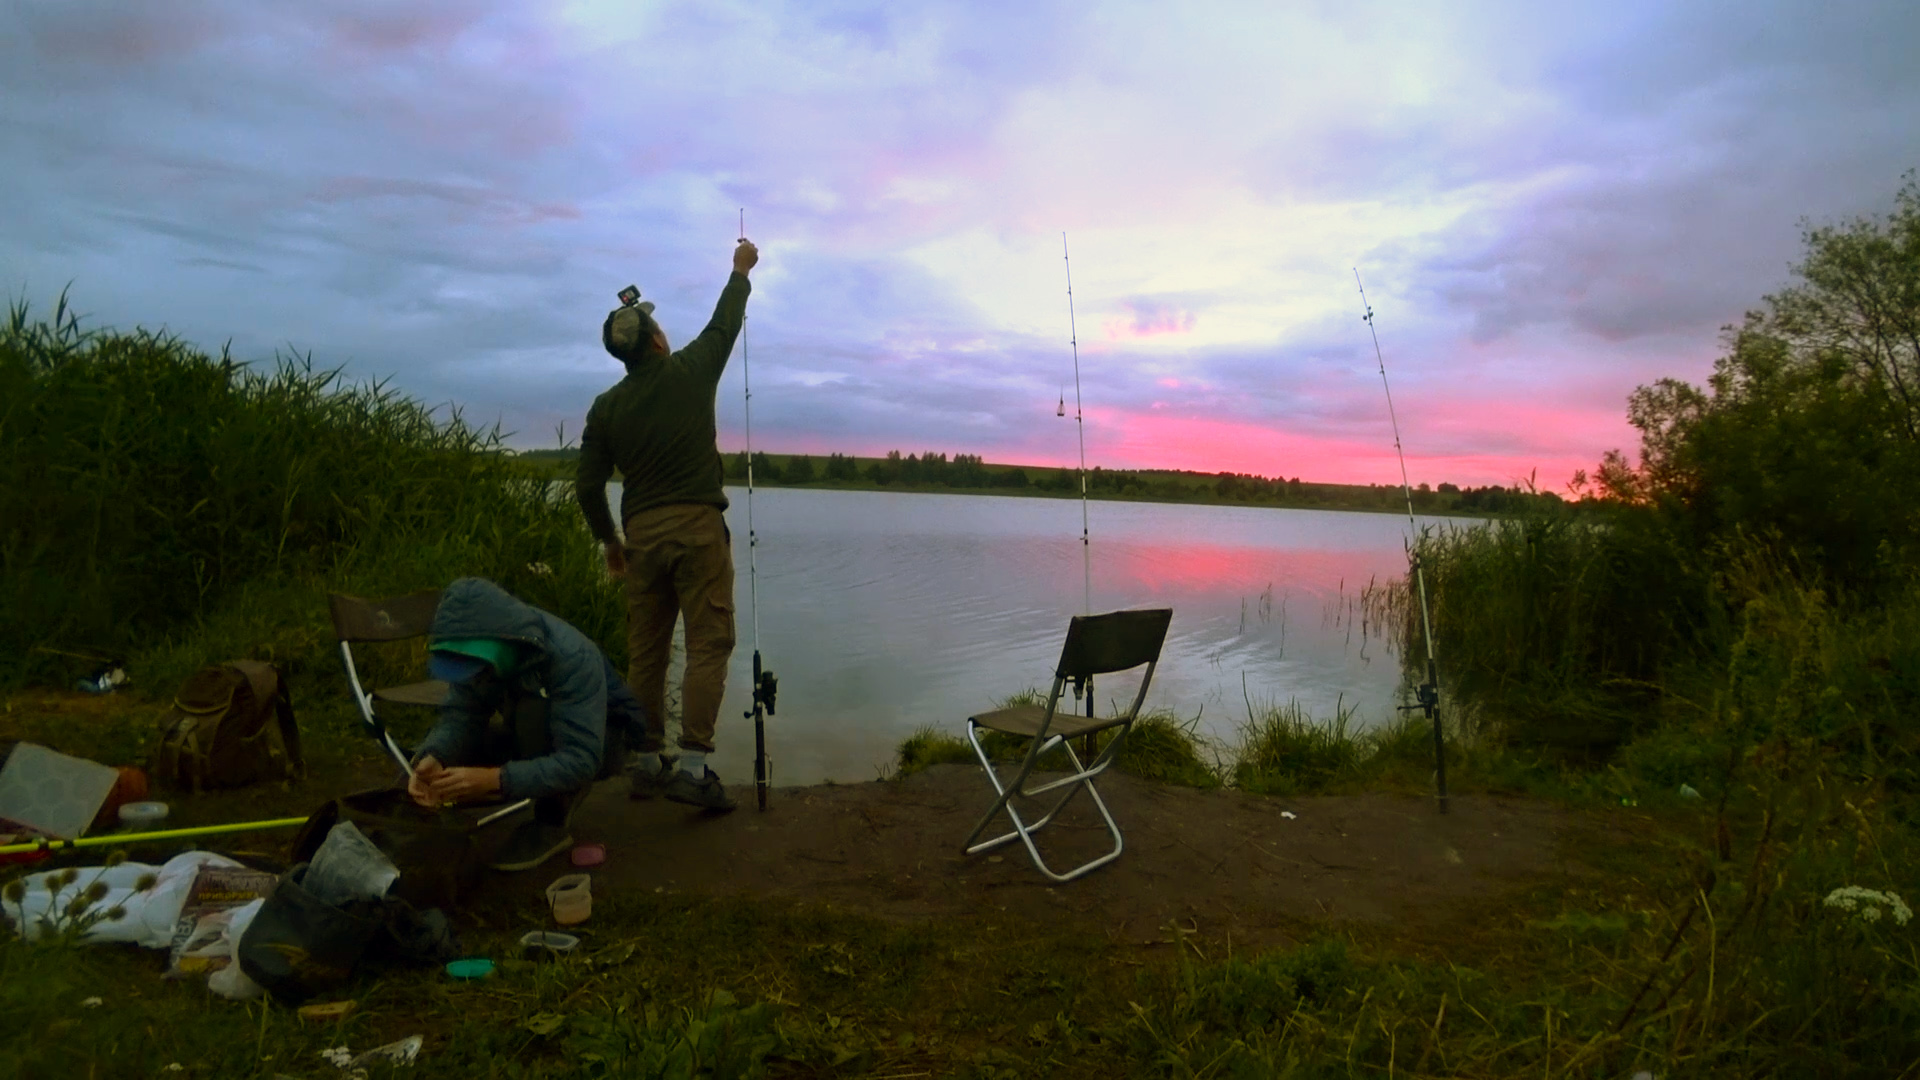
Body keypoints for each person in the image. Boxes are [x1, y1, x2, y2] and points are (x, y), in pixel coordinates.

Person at [577, 237, 759, 812]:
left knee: (646, 651)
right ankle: (696, 767)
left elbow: (587, 485)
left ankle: (646, 762)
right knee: (710, 643)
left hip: (642, 537)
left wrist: (611, 543)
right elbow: (724, 325)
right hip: (699, 531)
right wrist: (740, 270)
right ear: (656, 341)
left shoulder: (605, 407)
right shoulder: (689, 370)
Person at [408, 576, 647, 871]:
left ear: (500, 648)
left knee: (536, 717)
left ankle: (551, 818)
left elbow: (581, 758)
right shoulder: (478, 647)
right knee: (454, 750)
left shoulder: (571, 656)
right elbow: (461, 714)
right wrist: (433, 755)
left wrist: (495, 780)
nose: (473, 676)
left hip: (605, 738)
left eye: (477, 669)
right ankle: (459, 790)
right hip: (529, 727)